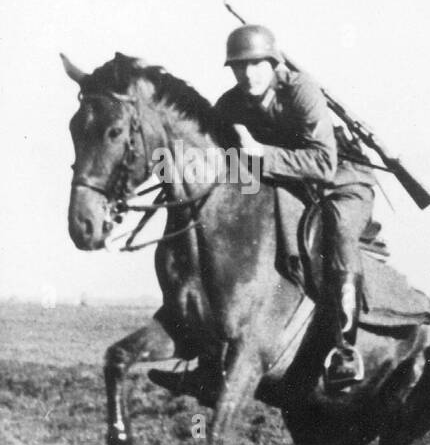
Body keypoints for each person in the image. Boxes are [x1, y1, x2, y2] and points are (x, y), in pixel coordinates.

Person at [154, 24, 372, 398]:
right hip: (281, 182)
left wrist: (259, 156)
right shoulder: (229, 104)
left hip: (341, 180)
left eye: (256, 64)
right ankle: (207, 359)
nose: (247, 74)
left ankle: (345, 349)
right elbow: (218, 162)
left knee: (339, 230)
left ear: (273, 63)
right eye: (239, 67)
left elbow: (322, 163)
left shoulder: (302, 90)